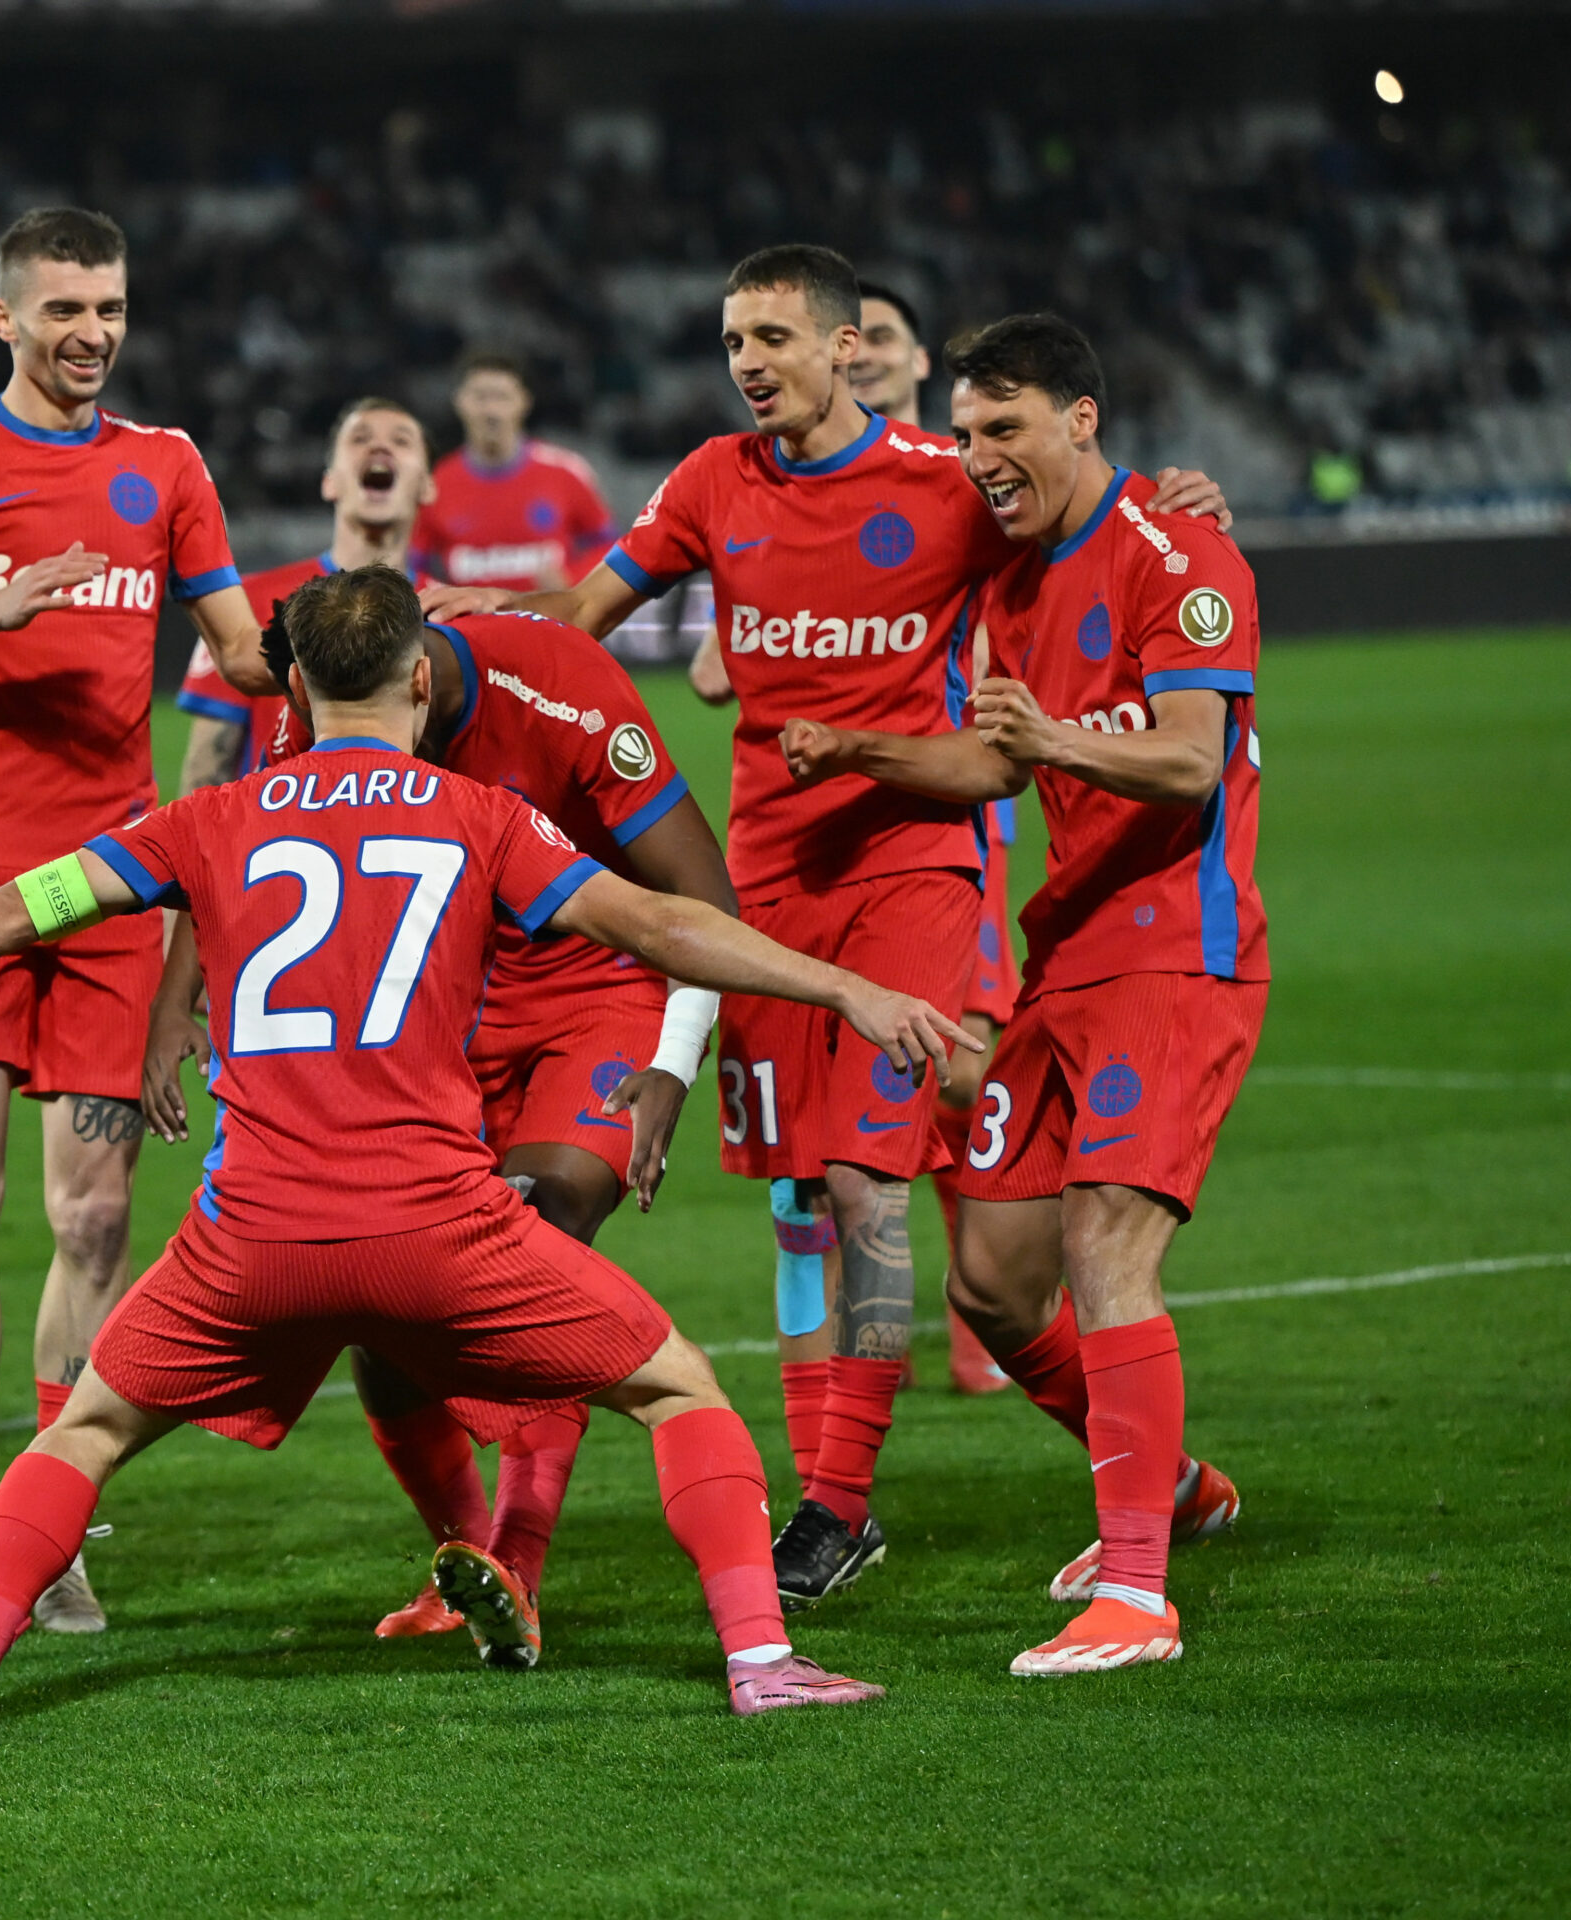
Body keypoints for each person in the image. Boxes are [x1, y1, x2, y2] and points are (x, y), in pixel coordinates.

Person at [0, 566, 981, 1733]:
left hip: (248, 1242)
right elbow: (660, 920)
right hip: (441, 1228)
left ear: (296, 686)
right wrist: (845, 992)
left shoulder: (205, 820)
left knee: (83, 1433)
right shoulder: (483, 820)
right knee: (679, 1390)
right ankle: (761, 1663)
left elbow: (11, 908)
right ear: (422, 676)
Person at [782, 311, 1258, 1676]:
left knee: (1109, 1255)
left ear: (1081, 420)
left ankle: (1138, 1598)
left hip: (1181, 950)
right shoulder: (1015, 587)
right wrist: (859, 750)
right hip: (1066, 966)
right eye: (973, 430)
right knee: (994, 1286)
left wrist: (1047, 736)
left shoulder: (1181, 551)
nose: (985, 454)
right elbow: (997, 770)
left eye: (1007, 428)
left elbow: (1188, 760)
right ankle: (1169, 1484)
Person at [147, 597, 738, 1664]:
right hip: (440, 1008)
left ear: (418, 683)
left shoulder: (562, 690)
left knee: (541, 1234)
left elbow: (698, 895)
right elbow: (233, 847)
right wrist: (172, 1006)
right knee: (387, 1317)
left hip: (597, 994)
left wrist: (672, 1059)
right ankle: (465, 1563)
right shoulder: (334, 703)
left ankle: (518, 1556)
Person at [0, 207, 261, 1636]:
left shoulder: (167, 468)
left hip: (110, 886)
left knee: (93, 1218)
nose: (92, 333)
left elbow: (243, 651)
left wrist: (372, 642)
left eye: (112, 309)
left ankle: (45, 1515)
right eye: (66, 309)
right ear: (4, 319)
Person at [693, 275, 1010, 1403]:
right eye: (733, 340)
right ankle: (829, 1469)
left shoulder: (955, 485)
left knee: (920, 1111)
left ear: (883, 356)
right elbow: (697, 658)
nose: (746, 359)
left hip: (927, 842)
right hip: (775, 872)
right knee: (797, 1192)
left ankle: (977, 1329)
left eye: (771, 337)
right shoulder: (724, 482)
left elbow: (1074, 559)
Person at [174, 396, 433, 795]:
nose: (380, 447)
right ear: (329, 480)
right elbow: (207, 766)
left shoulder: (451, 610)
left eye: (401, 441)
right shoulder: (248, 602)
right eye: (360, 438)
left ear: (428, 484)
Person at [412, 353, 614, 592]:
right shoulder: (434, 485)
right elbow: (410, 565)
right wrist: (438, 594)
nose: (491, 411)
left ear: (524, 402)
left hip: (550, 624)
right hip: (470, 627)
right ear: (459, 401)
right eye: (480, 397)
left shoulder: (566, 472)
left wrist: (573, 579)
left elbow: (608, 548)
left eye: (502, 397)